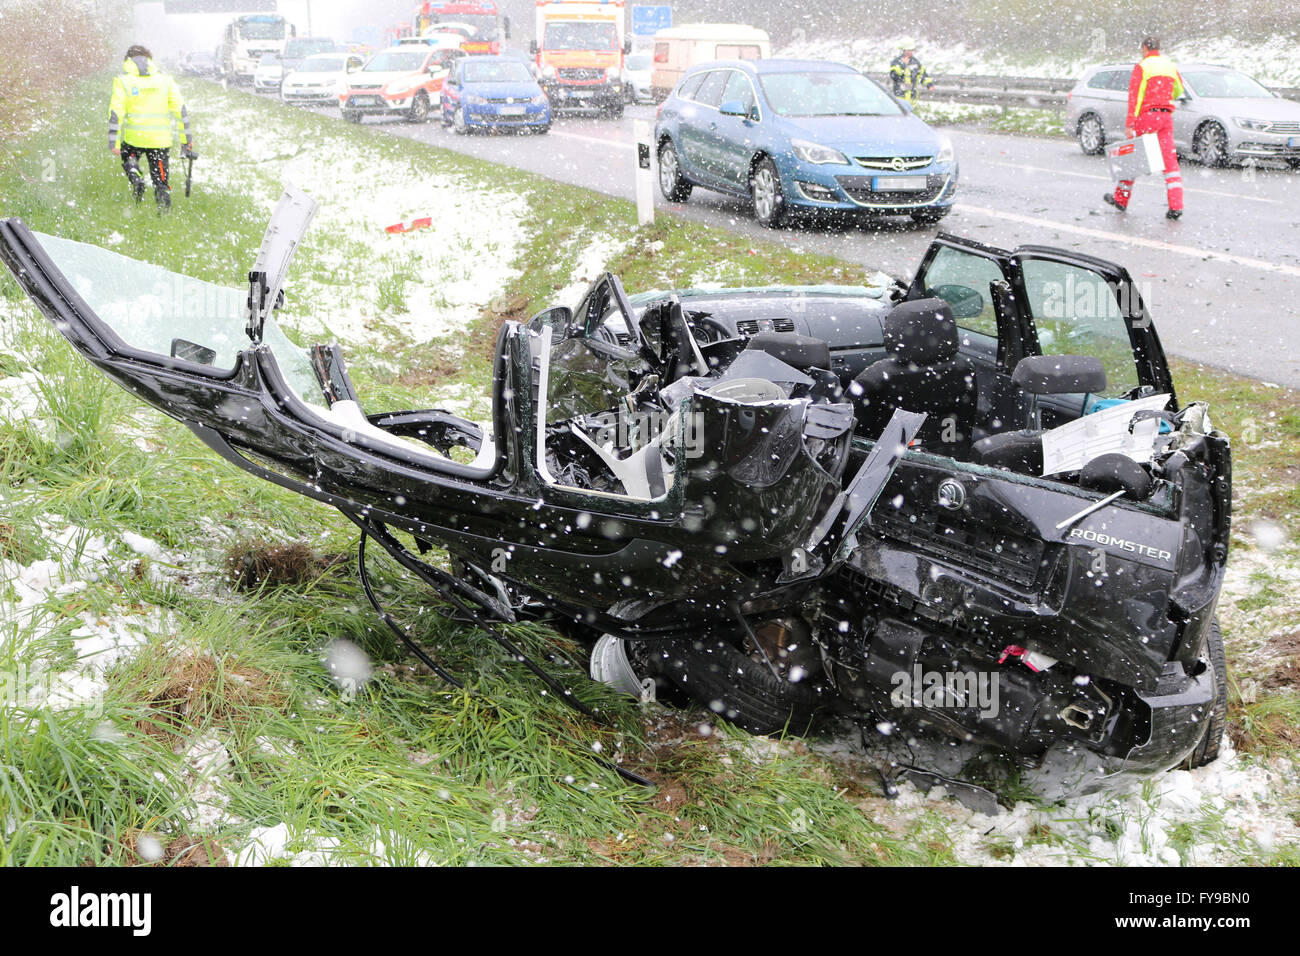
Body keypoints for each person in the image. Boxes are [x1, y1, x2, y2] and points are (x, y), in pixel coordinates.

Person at [1103, 36, 1184, 220]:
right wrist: (1164, 96)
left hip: (1147, 116)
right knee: (1170, 162)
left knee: (1133, 157)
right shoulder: (1170, 66)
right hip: (1165, 117)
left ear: (1145, 49)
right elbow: (1179, 91)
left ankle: (1121, 199)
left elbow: (1135, 96)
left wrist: (1130, 123)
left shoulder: (1143, 66)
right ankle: (1176, 206)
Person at [109, 45, 194, 211]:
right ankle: (163, 205)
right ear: (150, 59)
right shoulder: (165, 80)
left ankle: (135, 176)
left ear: (127, 60)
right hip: (160, 141)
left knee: (129, 159)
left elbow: (115, 112)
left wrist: (114, 142)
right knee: (160, 177)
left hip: (134, 138)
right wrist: (186, 140)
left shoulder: (123, 81)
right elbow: (180, 111)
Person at [889, 39, 934, 105]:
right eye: (908, 50)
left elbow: (922, 74)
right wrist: (903, 66)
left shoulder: (915, 62)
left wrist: (929, 84)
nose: (910, 52)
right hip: (900, 95)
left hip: (912, 96)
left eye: (911, 50)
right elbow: (894, 76)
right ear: (903, 50)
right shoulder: (896, 62)